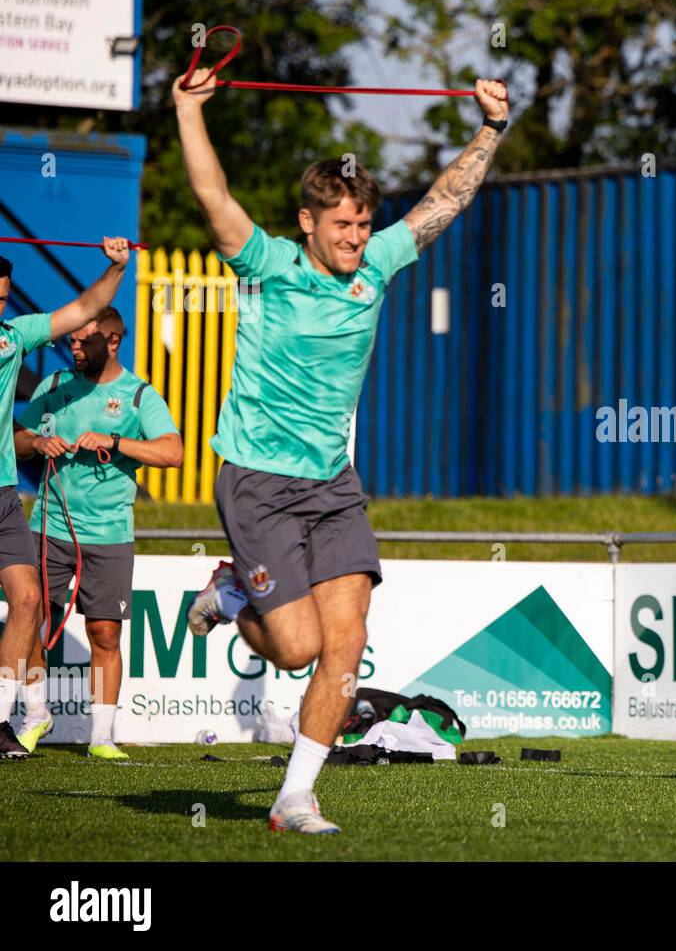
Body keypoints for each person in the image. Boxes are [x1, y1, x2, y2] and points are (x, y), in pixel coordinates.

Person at [172, 63, 509, 833]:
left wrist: (490, 128)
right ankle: (233, 594)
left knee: (346, 646)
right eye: (342, 226)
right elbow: (213, 198)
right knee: (294, 649)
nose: (357, 238)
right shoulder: (266, 265)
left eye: (363, 224)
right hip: (256, 480)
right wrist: (191, 113)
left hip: (332, 485)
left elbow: (443, 202)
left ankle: (295, 798)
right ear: (307, 223)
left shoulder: (379, 265)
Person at [12, 306, 182, 759]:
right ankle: (34, 715)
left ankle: (102, 737)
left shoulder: (139, 394)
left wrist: (114, 442)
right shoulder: (53, 387)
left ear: (111, 342)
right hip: (47, 526)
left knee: (105, 633)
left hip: (109, 535)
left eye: (83, 340)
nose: (74, 347)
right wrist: (37, 442)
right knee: (30, 620)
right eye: (70, 340)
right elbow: (16, 439)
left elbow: (173, 453)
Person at [0, 239, 134, 758]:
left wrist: (117, 267)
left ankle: (18, 717)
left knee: (28, 602)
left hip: (5, 497)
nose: (0, 309)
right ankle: (33, 711)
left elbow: (83, 309)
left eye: (3, 299)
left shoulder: (14, 336)